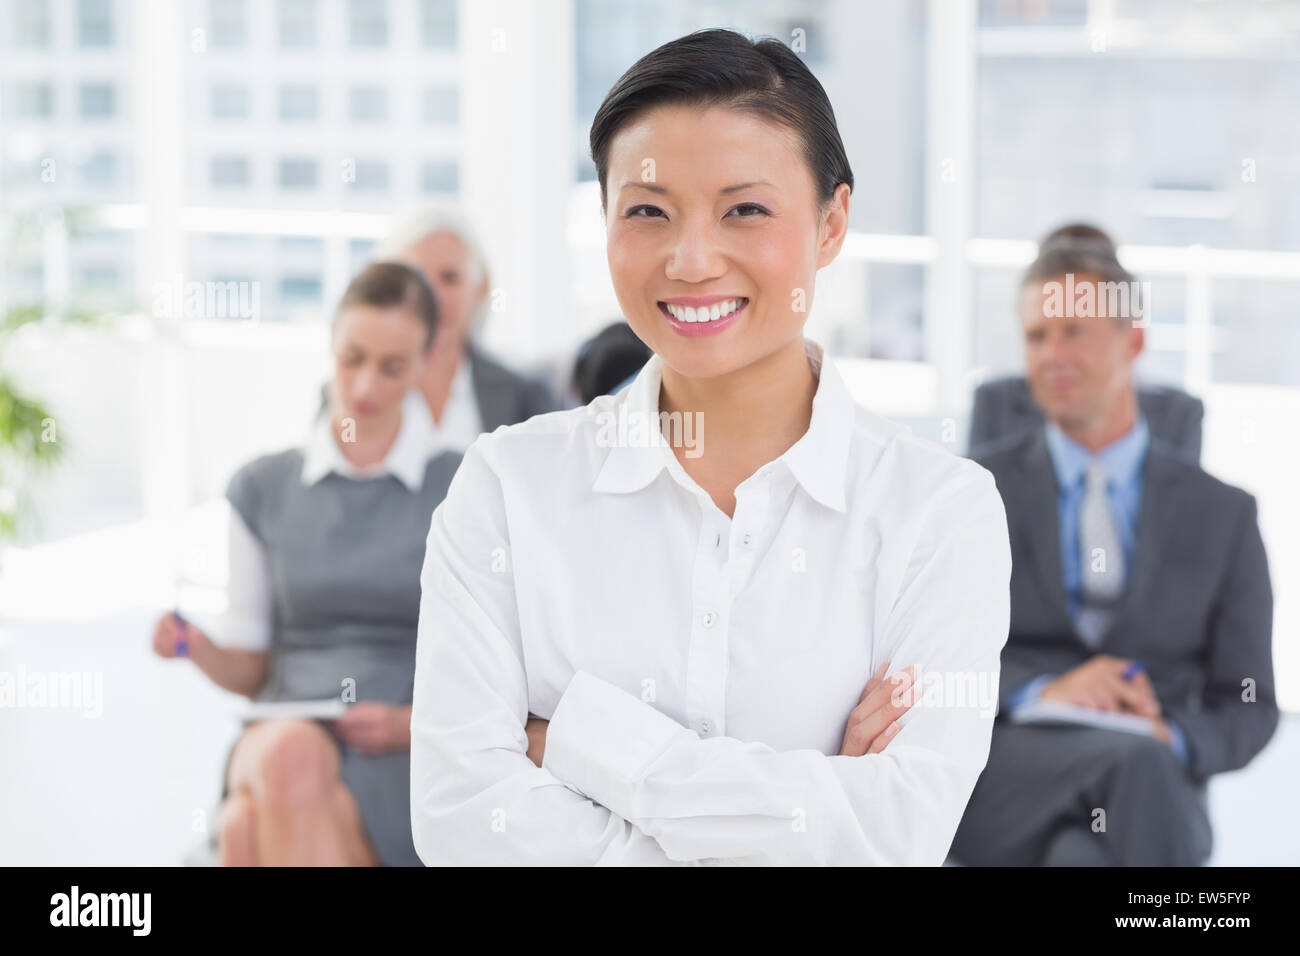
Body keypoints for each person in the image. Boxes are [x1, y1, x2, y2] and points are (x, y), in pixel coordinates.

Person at [409, 28, 1011, 865]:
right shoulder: (507, 490)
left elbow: (899, 831)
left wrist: (586, 743)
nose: (691, 260)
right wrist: (803, 806)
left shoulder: (941, 514)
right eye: (649, 212)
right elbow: (465, 824)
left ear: (832, 223)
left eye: (746, 210)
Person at [949, 224, 1278, 866]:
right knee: (1135, 767)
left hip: (1144, 785)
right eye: (1037, 336)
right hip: (1011, 772)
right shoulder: (973, 491)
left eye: (1075, 331)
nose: (1052, 355)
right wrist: (1046, 690)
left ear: (1135, 341)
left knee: (1081, 856)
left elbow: (1250, 700)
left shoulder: (1224, 514)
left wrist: (1173, 735)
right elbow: (932, 664)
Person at [152, 262, 461, 866]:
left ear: (427, 362)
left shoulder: (463, 483)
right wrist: (192, 645)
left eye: (392, 367)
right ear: (329, 345)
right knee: (288, 756)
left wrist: (408, 724)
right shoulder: (263, 487)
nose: (366, 387)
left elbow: (499, 666)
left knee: (244, 828)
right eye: (353, 359)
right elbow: (250, 668)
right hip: (282, 730)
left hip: (405, 743)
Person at [339, 206, 560, 447]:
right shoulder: (350, 392)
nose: (433, 295)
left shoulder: (524, 394)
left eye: (450, 278)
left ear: (481, 288)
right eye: (418, 277)